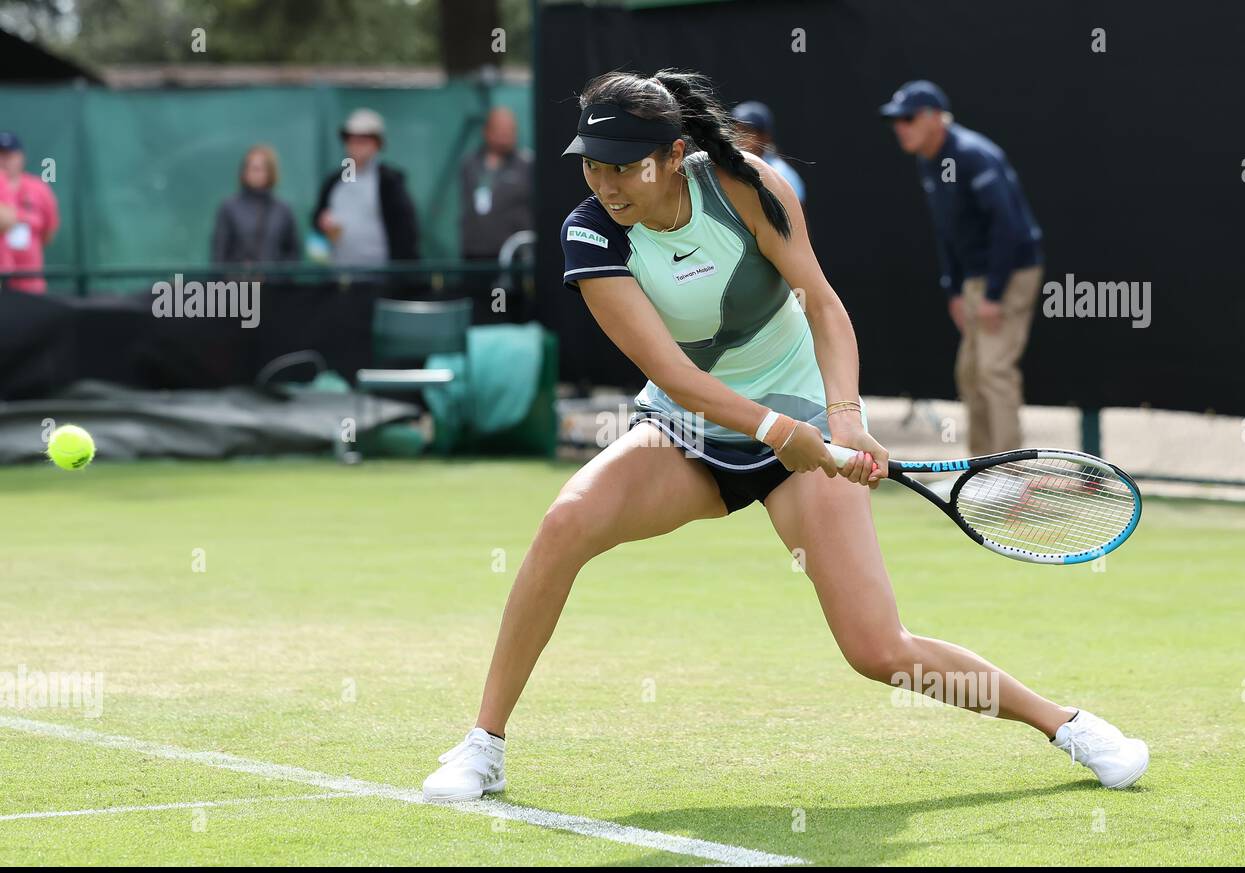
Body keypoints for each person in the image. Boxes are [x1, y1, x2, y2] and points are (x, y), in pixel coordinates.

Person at [422, 69, 1147, 802]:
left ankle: (1069, 726)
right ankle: (484, 746)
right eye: (592, 163)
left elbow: (823, 305)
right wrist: (773, 429)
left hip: (802, 418)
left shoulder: (745, 185)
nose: (606, 183)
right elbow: (670, 371)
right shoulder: (590, 231)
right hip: (688, 431)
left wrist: (843, 416)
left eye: (624, 165)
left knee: (878, 649)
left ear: (674, 155)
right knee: (566, 523)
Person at [880, 80, 1043, 456]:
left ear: (936, 118)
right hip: (974, 280)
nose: (900, 127)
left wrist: (994, 294)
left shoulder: (973, 155)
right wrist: (953, 290)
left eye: (908, 118)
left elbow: (1009, 227)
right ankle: (983, 470)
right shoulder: (929, 160)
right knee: (971, 375)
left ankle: (1009, 471)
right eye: (896, 120)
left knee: (993, 371)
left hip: (1010, 274)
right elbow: (947, 230)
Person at [312, 109, 420, 268]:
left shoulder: (389, 182)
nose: (356, 146)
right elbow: (318, 221)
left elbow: (405, 233)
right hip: (341, 278)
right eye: (352, 140)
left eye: (363, 140)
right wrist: (321, 223)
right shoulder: (333, 182)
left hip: (380, 278)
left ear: (377, 144)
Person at [459, 106, 534, 261]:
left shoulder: (526, 164)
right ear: (487, 131)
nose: (505, 135)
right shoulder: (470, 164)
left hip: (515, 252)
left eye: (510, 130)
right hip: (475, 253)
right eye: (500, 129)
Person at [211, 144, 300, 268]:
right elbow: (219, 256)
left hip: (274, 286)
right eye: (251, 168)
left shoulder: (283, 210)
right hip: (237, 285)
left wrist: (271, 275)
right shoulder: (228, 208)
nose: (255, 173)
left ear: (270, 172)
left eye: (260, 168)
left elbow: (293, 256)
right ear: (244, 172)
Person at [0, 131, 60, 294]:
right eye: (0, 155)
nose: (3, 160)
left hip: (30, 283)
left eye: (8, 155)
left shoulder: (39, 189)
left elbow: (49, 232)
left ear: (21, 157)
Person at [730, 100, 805, 204]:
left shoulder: (783, 175)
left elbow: (797, 218)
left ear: (765, 137)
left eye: (746, 131)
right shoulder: (726, 168)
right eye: (734, 131)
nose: (738, 138)